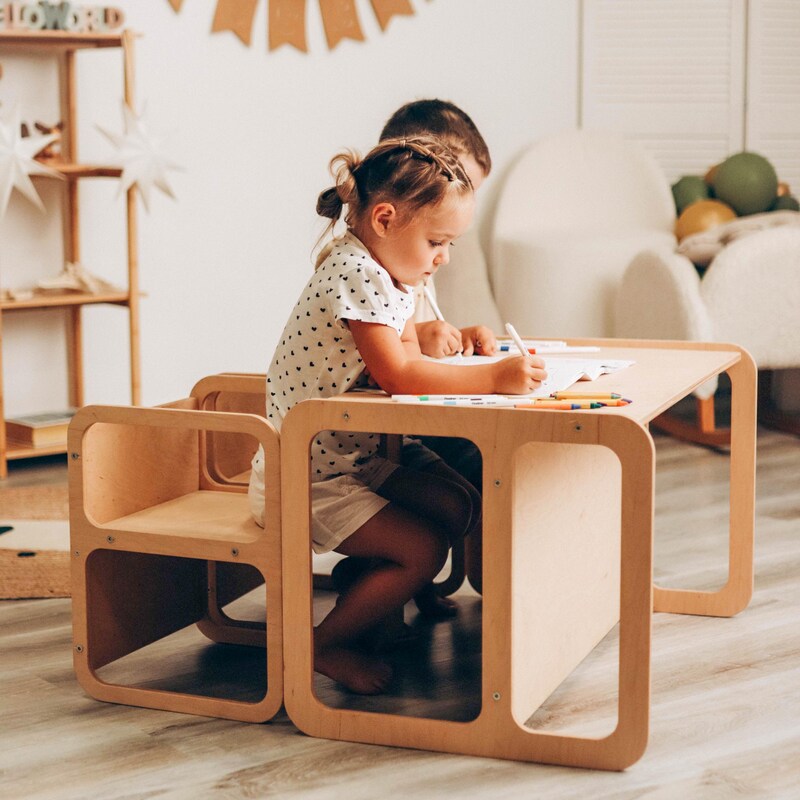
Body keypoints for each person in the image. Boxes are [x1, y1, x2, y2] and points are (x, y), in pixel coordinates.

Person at [248, 136, 546, 694]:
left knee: (457, 503)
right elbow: (398, 377)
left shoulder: (386, 272)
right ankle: (325, 643)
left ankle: (397, 590)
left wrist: (445, 340)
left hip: (354, 455)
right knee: (423, 546)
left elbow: (407, 351)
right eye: (437, 240)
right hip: (306, 473)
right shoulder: (357, 271)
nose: (443, 257)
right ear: (384, 219)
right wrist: (495, 379)